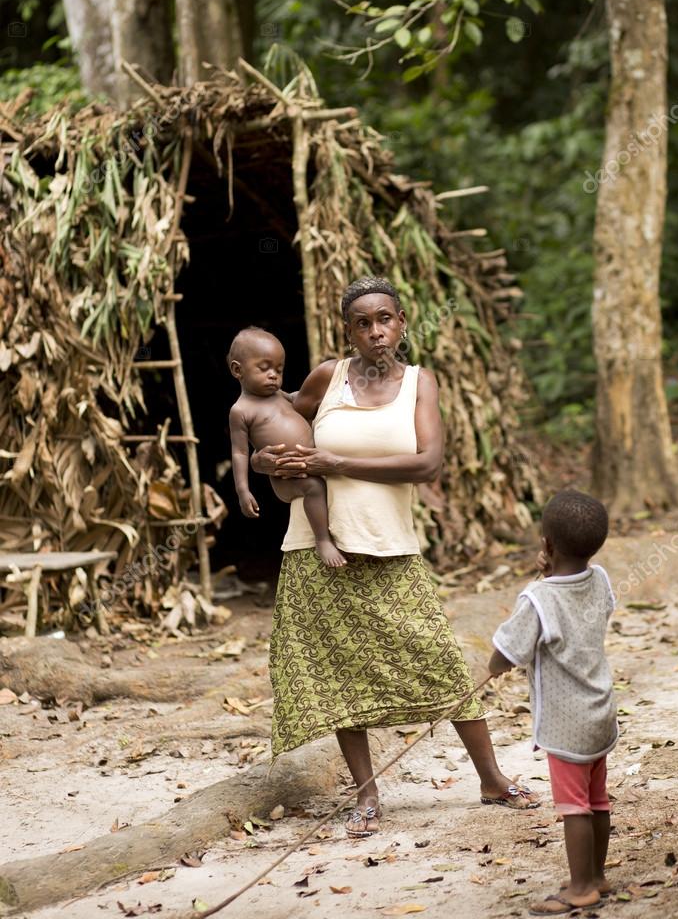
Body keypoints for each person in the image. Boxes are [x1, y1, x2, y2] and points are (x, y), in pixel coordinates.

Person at [251, 275, 539, 838]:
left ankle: (492, 780)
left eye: (385, 318)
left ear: (402, 322)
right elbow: (269, 418)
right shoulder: (326, 378)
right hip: (317, 546)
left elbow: (427, 464)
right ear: (349, 331)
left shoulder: (418, 383)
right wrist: (263, 461)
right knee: (339, 674)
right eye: (363, 323)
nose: (376, 331)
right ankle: (366, 796)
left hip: (389, 547)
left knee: (443, 661)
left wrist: (334, 462)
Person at [489, 489, 617, 916]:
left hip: (566, 725)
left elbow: (509, 651)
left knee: (573, 808)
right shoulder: (600, 579)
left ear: (545, 545)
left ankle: (580, 887)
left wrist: (491, 668)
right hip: (600, 712)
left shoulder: (538, 598)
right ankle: (597, 875)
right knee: (597, 801)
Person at [228, 326, 346, 568]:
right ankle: (322, 540)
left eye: (278, 370)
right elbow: (239, 452)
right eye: (264, 368)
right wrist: (243, 490)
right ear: (237, 370)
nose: (273, 375)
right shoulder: (241, 411)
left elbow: (302, 398)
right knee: (314, 487)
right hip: (286, 478)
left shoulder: (280, 395)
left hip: (312, 463)